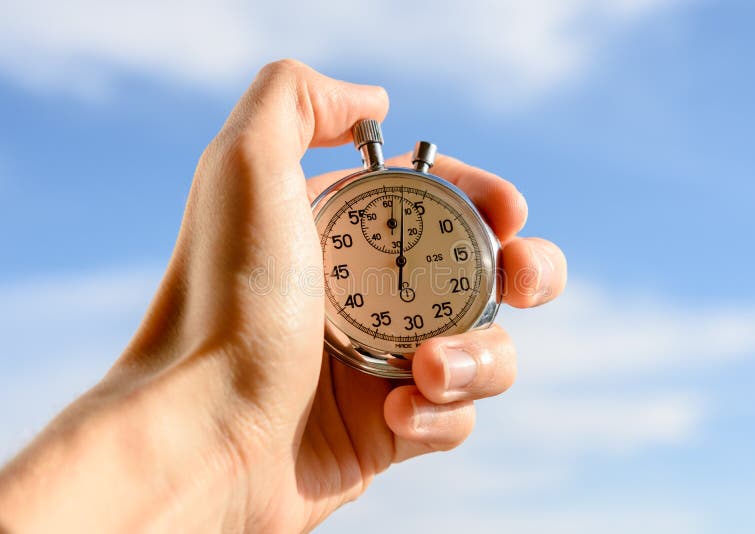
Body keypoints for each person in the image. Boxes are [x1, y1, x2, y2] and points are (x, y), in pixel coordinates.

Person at [0, 60, 567, 532]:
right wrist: (228, 429)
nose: (400, 257)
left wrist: (230, 455)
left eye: (410, 247)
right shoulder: (316, 224)